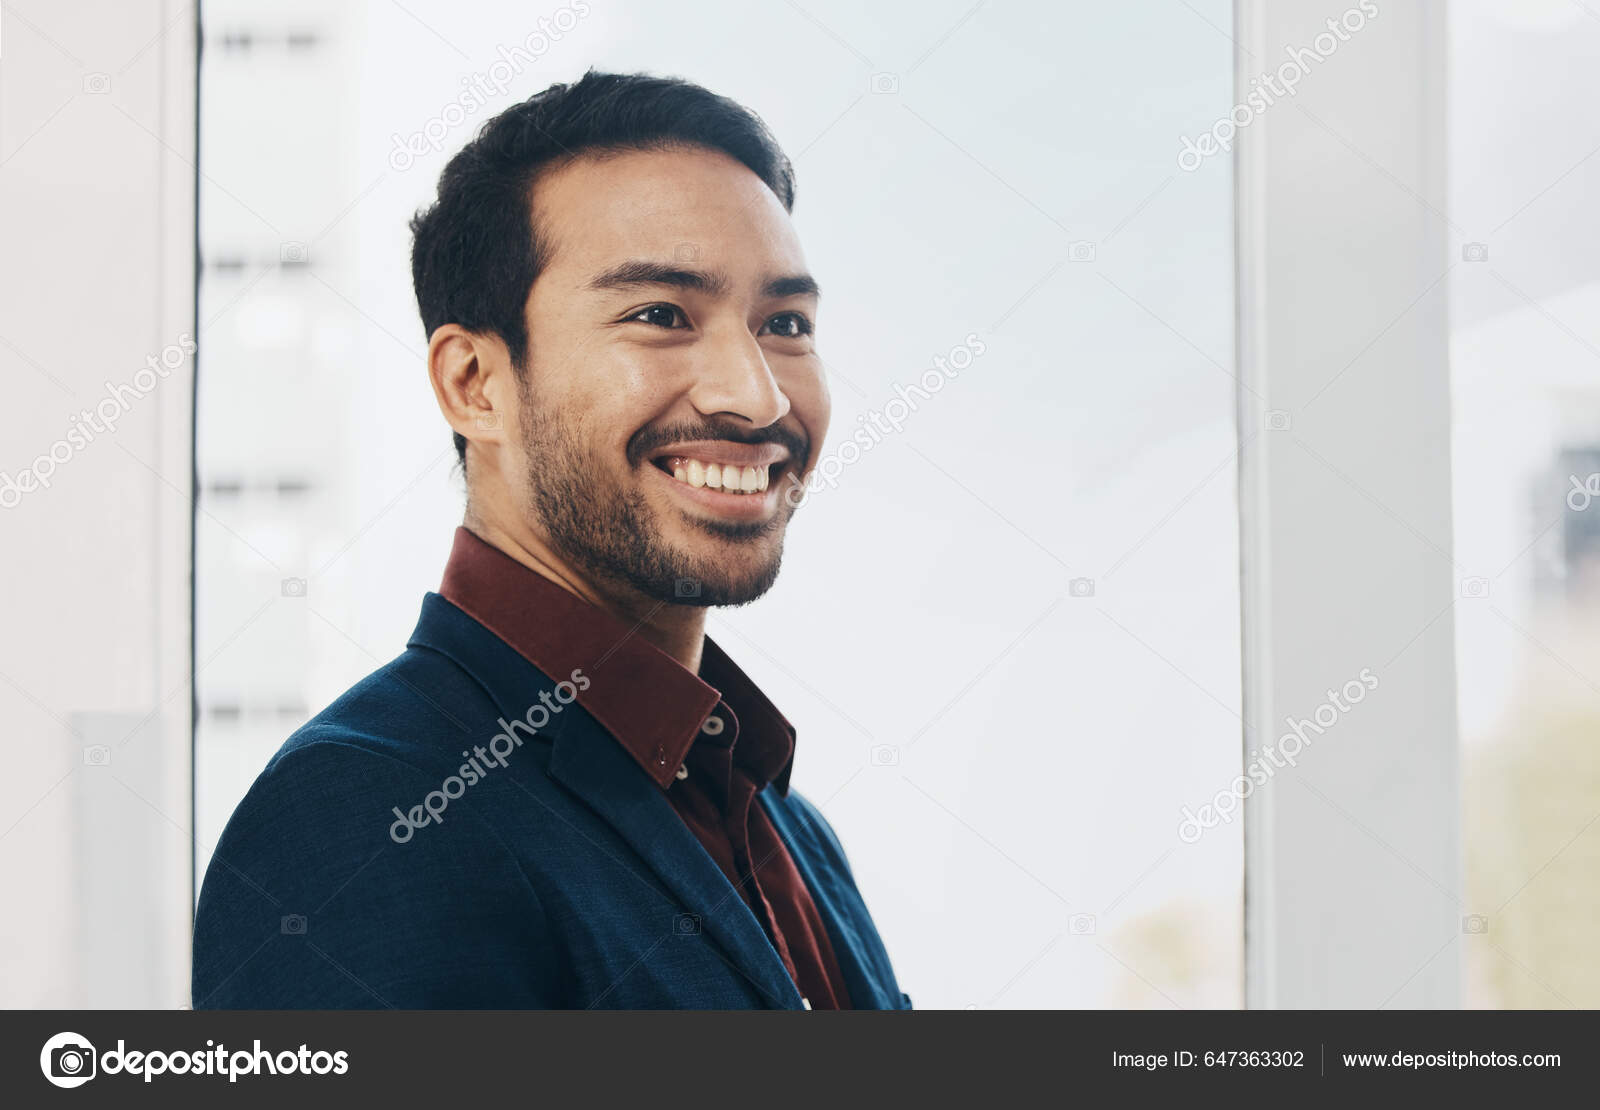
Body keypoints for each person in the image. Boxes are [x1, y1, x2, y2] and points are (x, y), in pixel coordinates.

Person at [192, 70, 906, 1010]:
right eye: (660, 315)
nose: (757, 395)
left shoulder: (784, 827)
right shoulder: (371, 814)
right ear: (476, 384)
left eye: (785, 324)